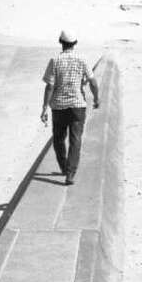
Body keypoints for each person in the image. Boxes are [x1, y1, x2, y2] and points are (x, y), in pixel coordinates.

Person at [40, 29, 100, 186]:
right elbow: (93, 82)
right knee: (76, 139)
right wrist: (96, 99)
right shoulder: (82, 59)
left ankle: (64, 167)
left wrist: (44, 107)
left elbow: (49, 86)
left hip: (58, 107)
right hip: (77, 106)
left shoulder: (55, 60)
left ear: (61, 42)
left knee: (59, 139)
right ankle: (71, 174)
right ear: (75, 43)